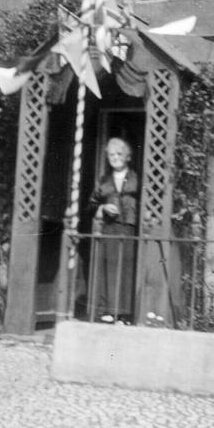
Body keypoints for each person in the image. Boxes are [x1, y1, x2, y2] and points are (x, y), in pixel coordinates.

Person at [87, 137, 139, 323]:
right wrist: (103, 208)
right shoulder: (104, 180)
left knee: (126, 268)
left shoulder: (136, 178)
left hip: (129, 228)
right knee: (109, 269)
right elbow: (91, 205)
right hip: (109, 228)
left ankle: (124, 314)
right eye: (111, 155)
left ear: (127, 157)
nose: (115, 158)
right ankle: (108, 311)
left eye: (119, 154)